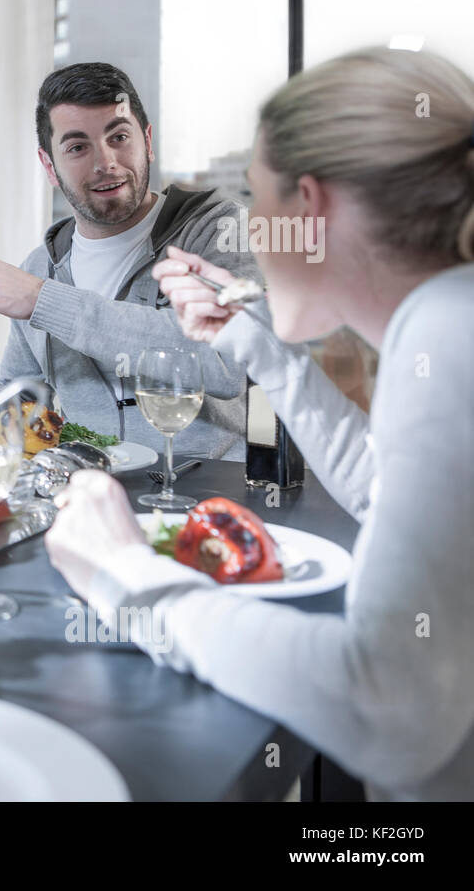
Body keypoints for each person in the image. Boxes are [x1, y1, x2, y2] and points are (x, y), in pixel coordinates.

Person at [45, 47, 474, 800]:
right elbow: (385, 486)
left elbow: (389, 714)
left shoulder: (450, 335)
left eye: (255, 195)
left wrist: (127, 576)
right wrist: (261, 346)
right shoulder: (445, 319)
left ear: (308, 207)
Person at [0, 63, 262, 459]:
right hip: (86, 492)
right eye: (78, 147)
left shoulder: (216, 229)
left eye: (120, 137)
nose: (105, 162)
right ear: (49, 166)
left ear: (147, 140)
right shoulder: (39, 267)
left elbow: (233, 363)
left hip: (208, 490)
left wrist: (44, 301)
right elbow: (23, 403)